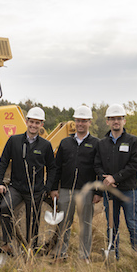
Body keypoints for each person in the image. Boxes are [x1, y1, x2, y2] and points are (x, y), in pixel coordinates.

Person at [0, 106, 56, 255]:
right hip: (16, 187)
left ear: (41, 125)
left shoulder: (45, 146)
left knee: (32, 220)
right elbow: (3, 161)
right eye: (31, 122)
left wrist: (47, 187)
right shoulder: (14, 141)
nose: (34, 125)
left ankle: (31, 250)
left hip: (36, 190)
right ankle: (8, 243)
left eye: (37, 123)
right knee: (5, 208)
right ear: (27, 122)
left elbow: (52, 168)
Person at [49, 105, 102, 262]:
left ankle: (84, 256)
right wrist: (54, 188)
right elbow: (57, 167)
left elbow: (99, 169)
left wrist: (98, 192)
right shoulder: (65, 143)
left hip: (86, 192)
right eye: (78, 120)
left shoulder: (96, 144)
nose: (80, 124)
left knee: (85, 224)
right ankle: (61, 254)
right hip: (66, 190)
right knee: (63, 224)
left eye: (84, 121)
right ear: (74, 122)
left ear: (89, 122)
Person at [94, 103, 137, 259]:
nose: (116, 121)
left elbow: (134, 165)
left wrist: (115, 178)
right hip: (110, 192)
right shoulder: (102, 144)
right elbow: (97, 165)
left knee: (132, 224)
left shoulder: (133, 141)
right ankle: (113, 256)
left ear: (124, 121)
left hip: (128, 191)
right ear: (107, 121)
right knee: (111, 225)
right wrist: (106, 179)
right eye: (113, 119)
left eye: (119, 118)